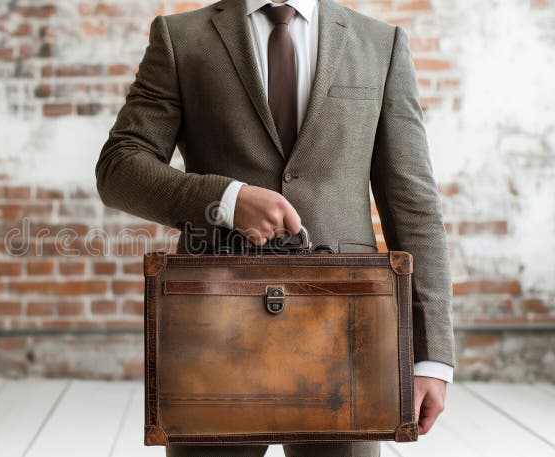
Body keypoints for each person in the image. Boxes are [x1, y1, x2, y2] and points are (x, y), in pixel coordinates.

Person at [95, 0, 454, 455]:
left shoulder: (380, 44)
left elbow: (413, 203)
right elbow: (119, 168)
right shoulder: (181, 38)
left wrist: (431, 357)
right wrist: (227, 200)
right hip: (215, 329)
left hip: (348, 333)